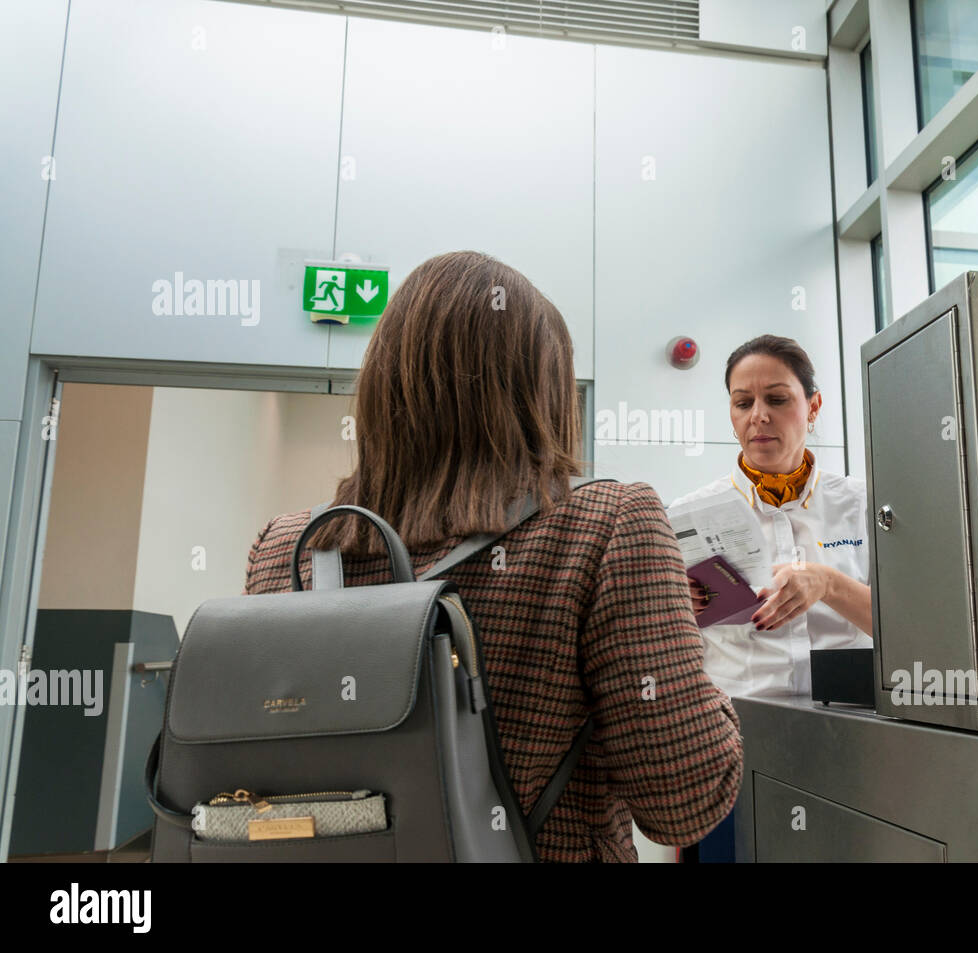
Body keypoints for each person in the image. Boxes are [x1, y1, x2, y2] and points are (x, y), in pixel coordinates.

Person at [241, 250, 743, 862]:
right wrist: (679, 642)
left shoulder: (285, 549)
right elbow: (683, 801)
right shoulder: (608, 523)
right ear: (545, 396)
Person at [671, 334, 873, 700]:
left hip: (851, 717)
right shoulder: (688, 515)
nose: (758, 416)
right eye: (743, 403)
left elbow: (911, 633)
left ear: (813, 407)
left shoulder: (864, 505)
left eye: (777, 400)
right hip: (737, 723)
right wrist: (672, 605)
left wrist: (829, 584)